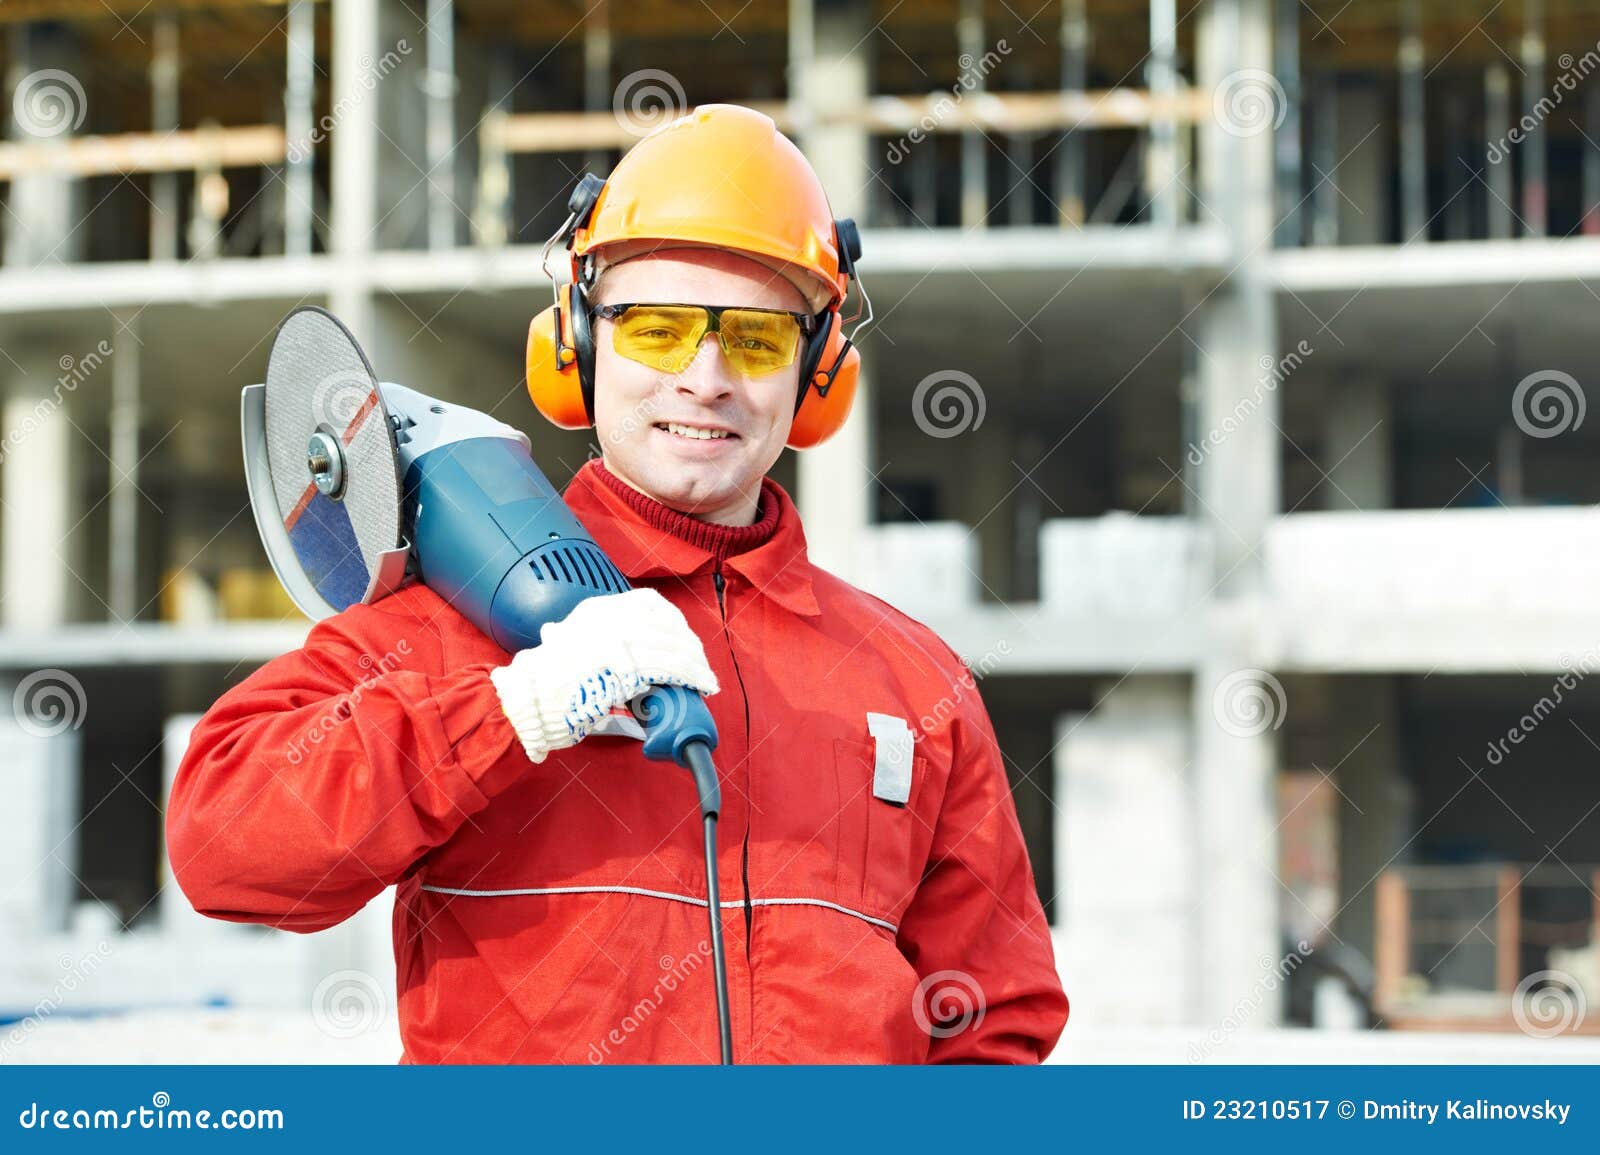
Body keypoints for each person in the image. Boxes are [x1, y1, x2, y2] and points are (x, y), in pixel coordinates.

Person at [167, 103, 1068, 1064]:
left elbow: (994, 1021)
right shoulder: (445, 626)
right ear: (579, 344)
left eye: (757, 340)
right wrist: (513, 711)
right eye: (655, 328)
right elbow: (226, 848)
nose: (704, 377)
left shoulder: (913, 681)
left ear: (819, 370)